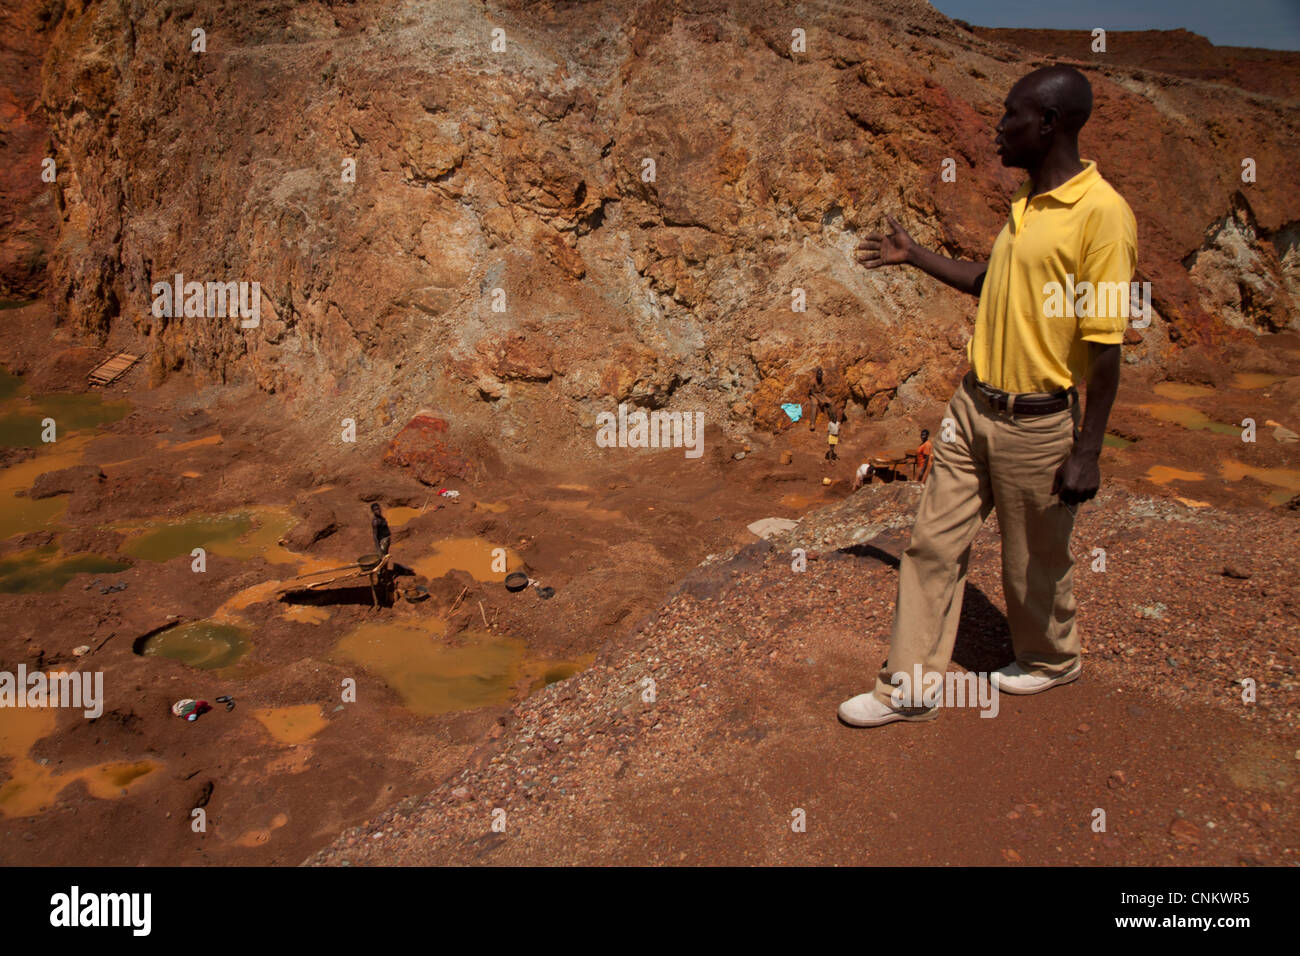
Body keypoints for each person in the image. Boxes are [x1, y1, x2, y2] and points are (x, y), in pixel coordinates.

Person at [839, 65, 1133, 727]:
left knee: (1034, 561)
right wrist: (914, 256)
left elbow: (1107, 345)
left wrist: (1089, 451)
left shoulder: (1103, 217)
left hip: (1038, 420)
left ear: (1050, 124)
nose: (999, 130)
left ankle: (1052, 660)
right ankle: (907, 689)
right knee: (931, 545)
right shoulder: (1026, 204)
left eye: (1010, 117)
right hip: (974, 408)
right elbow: (989, 278)